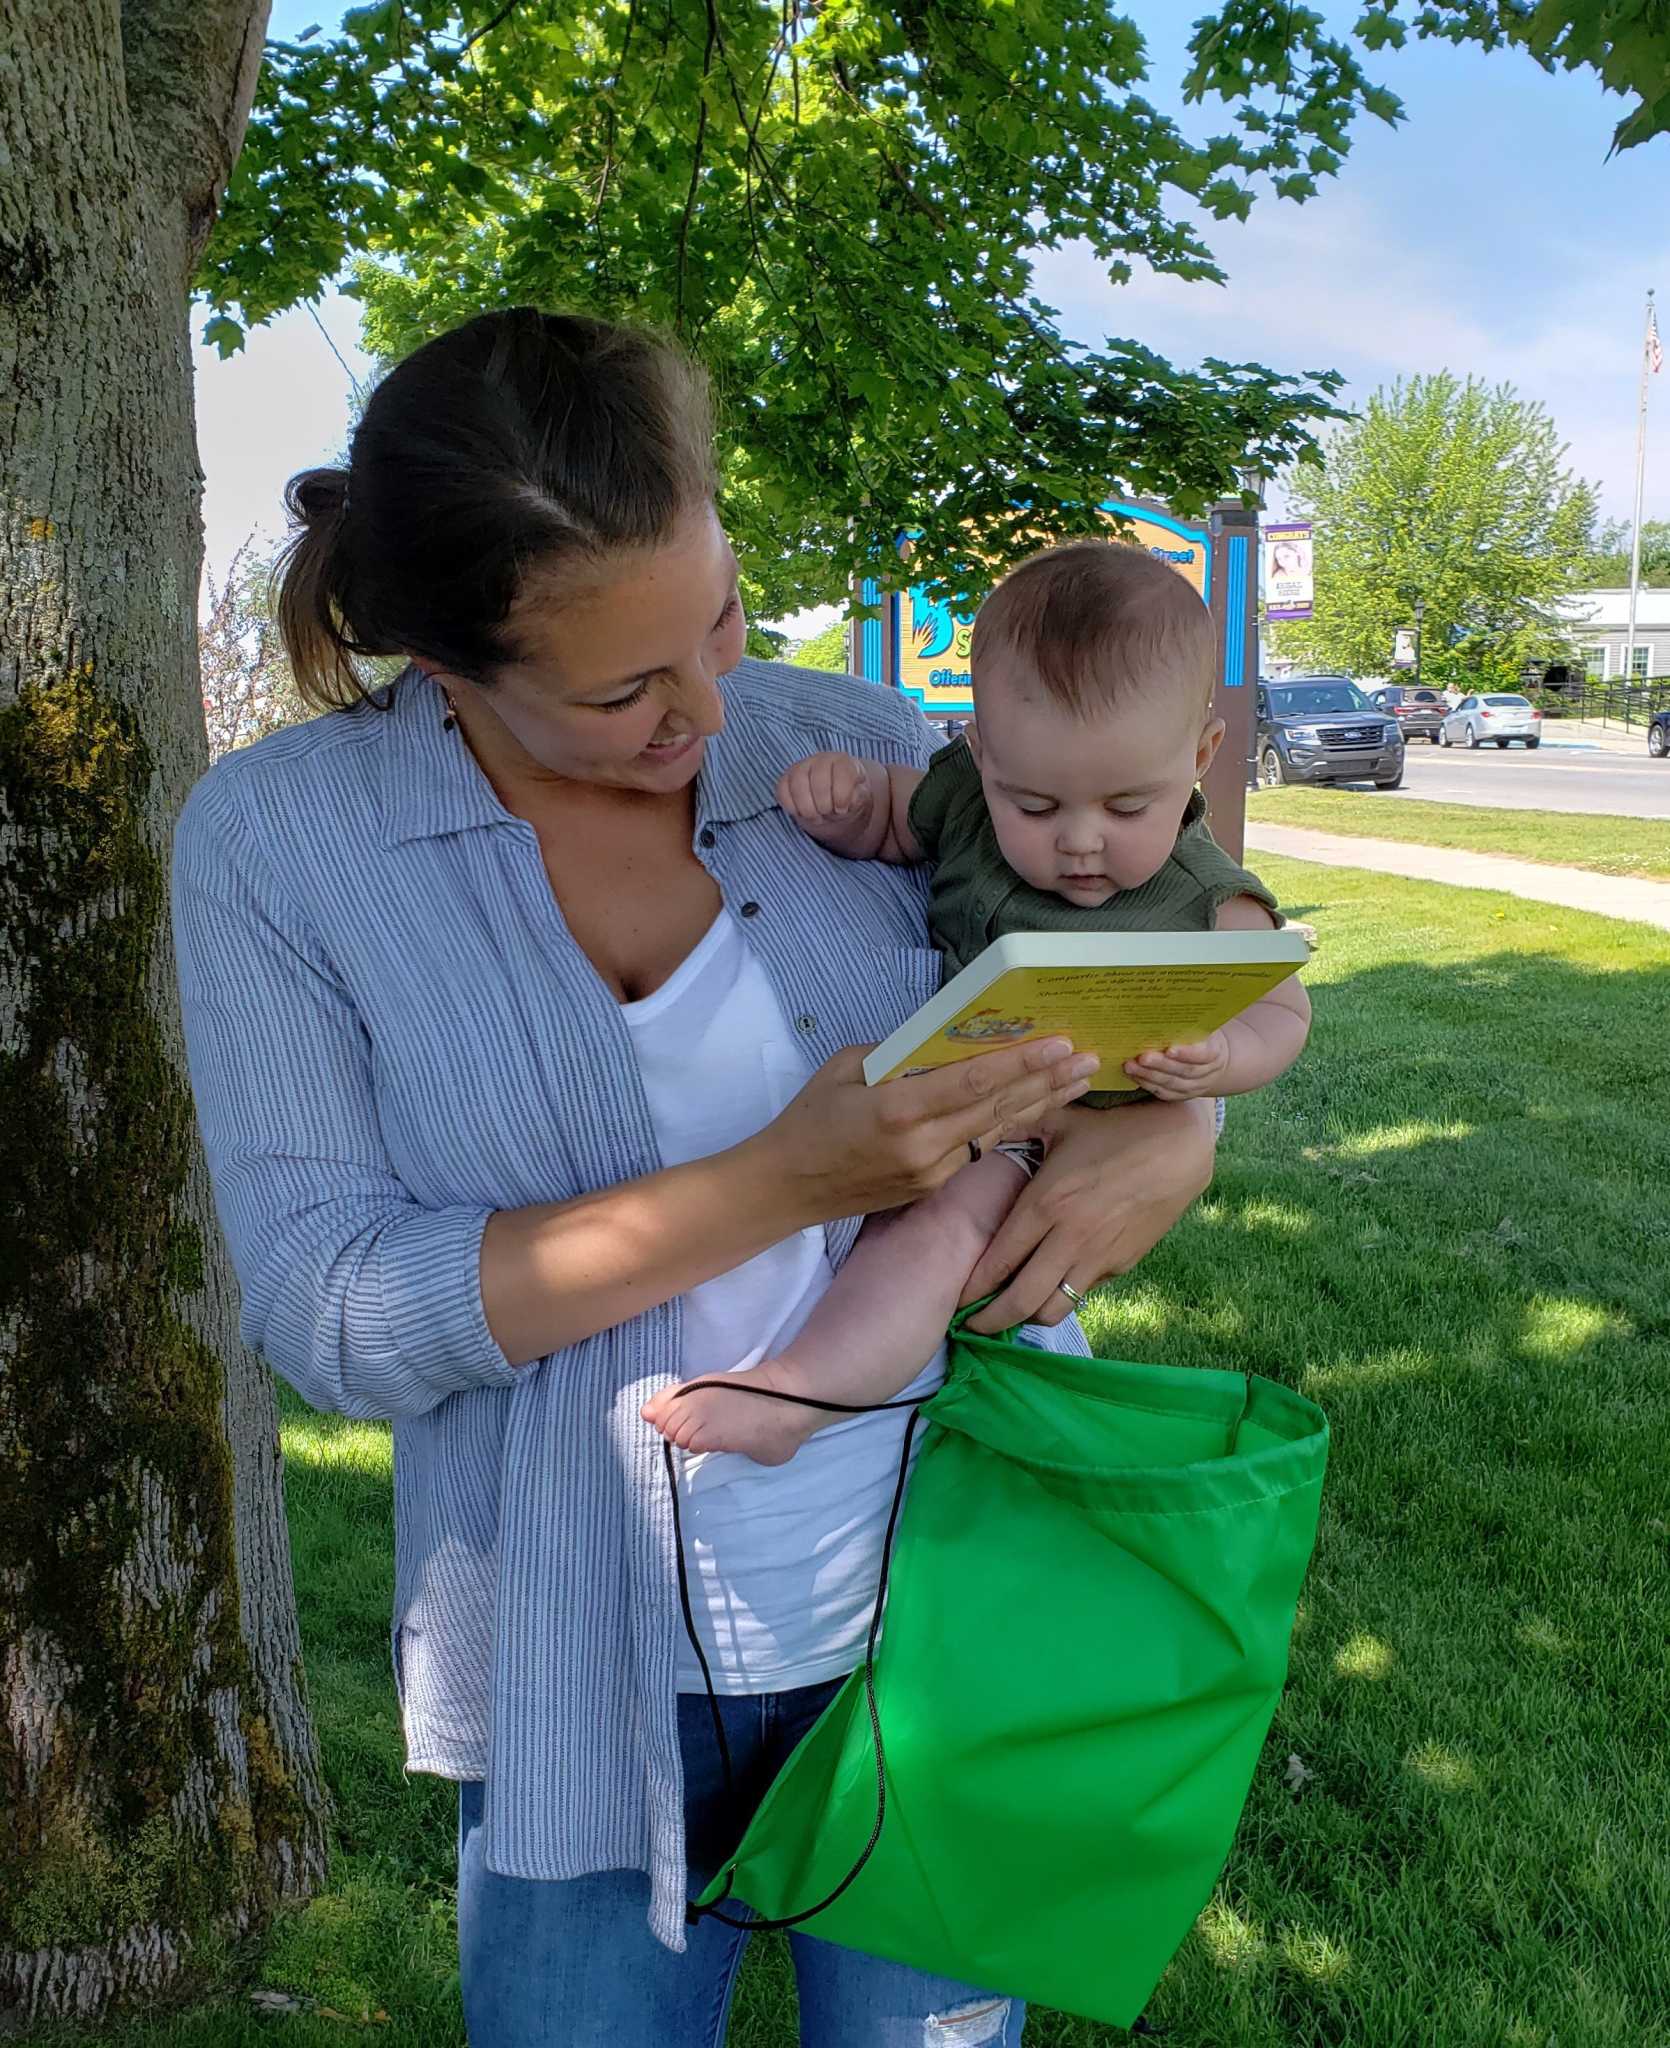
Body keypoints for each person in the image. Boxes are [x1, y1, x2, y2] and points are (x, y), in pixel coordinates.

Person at [171, 308, 1222, 2048]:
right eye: (624, 689)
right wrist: (777, 1178)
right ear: (450, 665)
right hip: (589, 1667)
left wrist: (1170, 1131)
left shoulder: (862, 750)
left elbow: (1118, 981)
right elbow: (331, 1311)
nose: (712, 706)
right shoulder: (284, 846)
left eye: (721, 613)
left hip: (939, 1614)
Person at [646, 544, 1310, 1464]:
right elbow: (891, 821)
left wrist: (1219, 1069)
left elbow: (1282, 1010)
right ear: (979, 754)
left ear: (1198, 757)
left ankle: (800, 1396)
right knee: (919, 1217)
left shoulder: (1207, 892)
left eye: (1128, 807)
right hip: (981, 1090)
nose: (1080, 841)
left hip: (1070, 1124)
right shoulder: (964, 800)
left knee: (938, 1227)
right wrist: (844, 808)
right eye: (1034, 806)